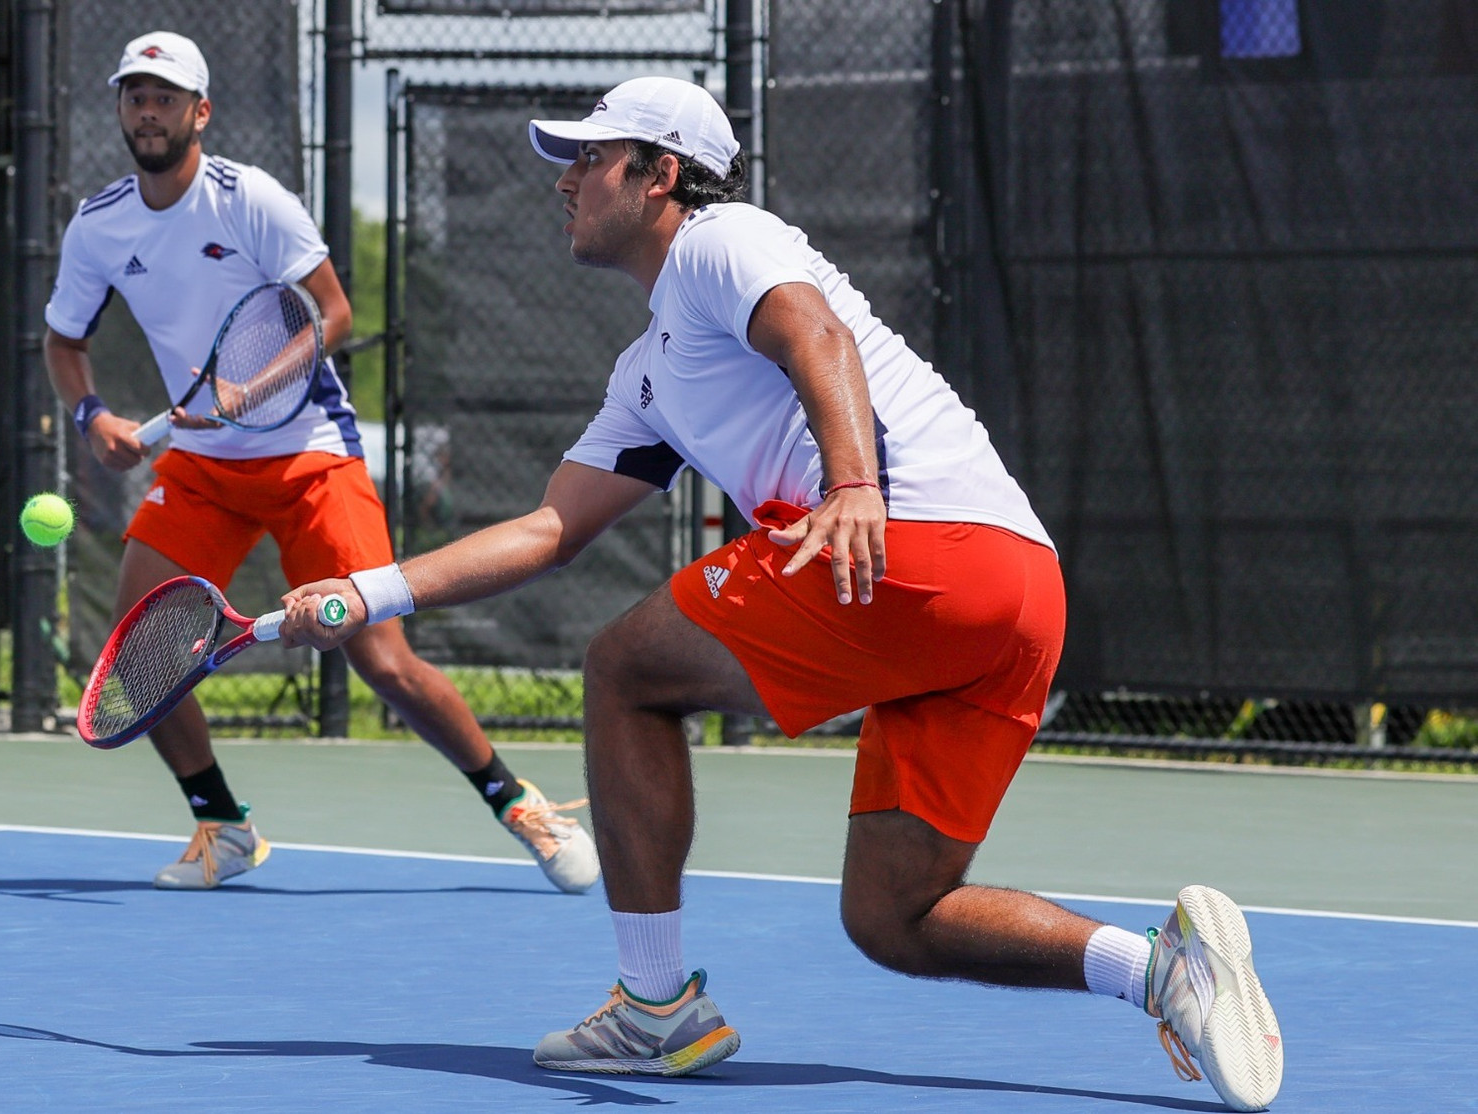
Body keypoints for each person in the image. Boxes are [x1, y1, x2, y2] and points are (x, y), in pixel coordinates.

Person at [279, 77, 1283, 1110]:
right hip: (1018, 590)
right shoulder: (648, 374)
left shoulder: (721, 239)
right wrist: (366, 592)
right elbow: (550, 530)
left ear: (661, 175)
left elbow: (815, 334)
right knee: (895, 914)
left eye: (590, 158)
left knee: (624, 668)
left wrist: (853, 487)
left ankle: (656, 1009)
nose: (565, 180)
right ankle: (1166, 969)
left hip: (915, 550)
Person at [41, 31, 598, 895]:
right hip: (197, 469)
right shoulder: (100, 224)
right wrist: (92, 416)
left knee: (383, 662)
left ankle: (517, 802)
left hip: (309, 455)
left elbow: (331, 315)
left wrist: (251, 389)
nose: (146, 110)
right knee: (139, 657)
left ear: (201, 112)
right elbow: (62, 340)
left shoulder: (249, 200)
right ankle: (222, 826)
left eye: (164, 96)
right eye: (134, 95)